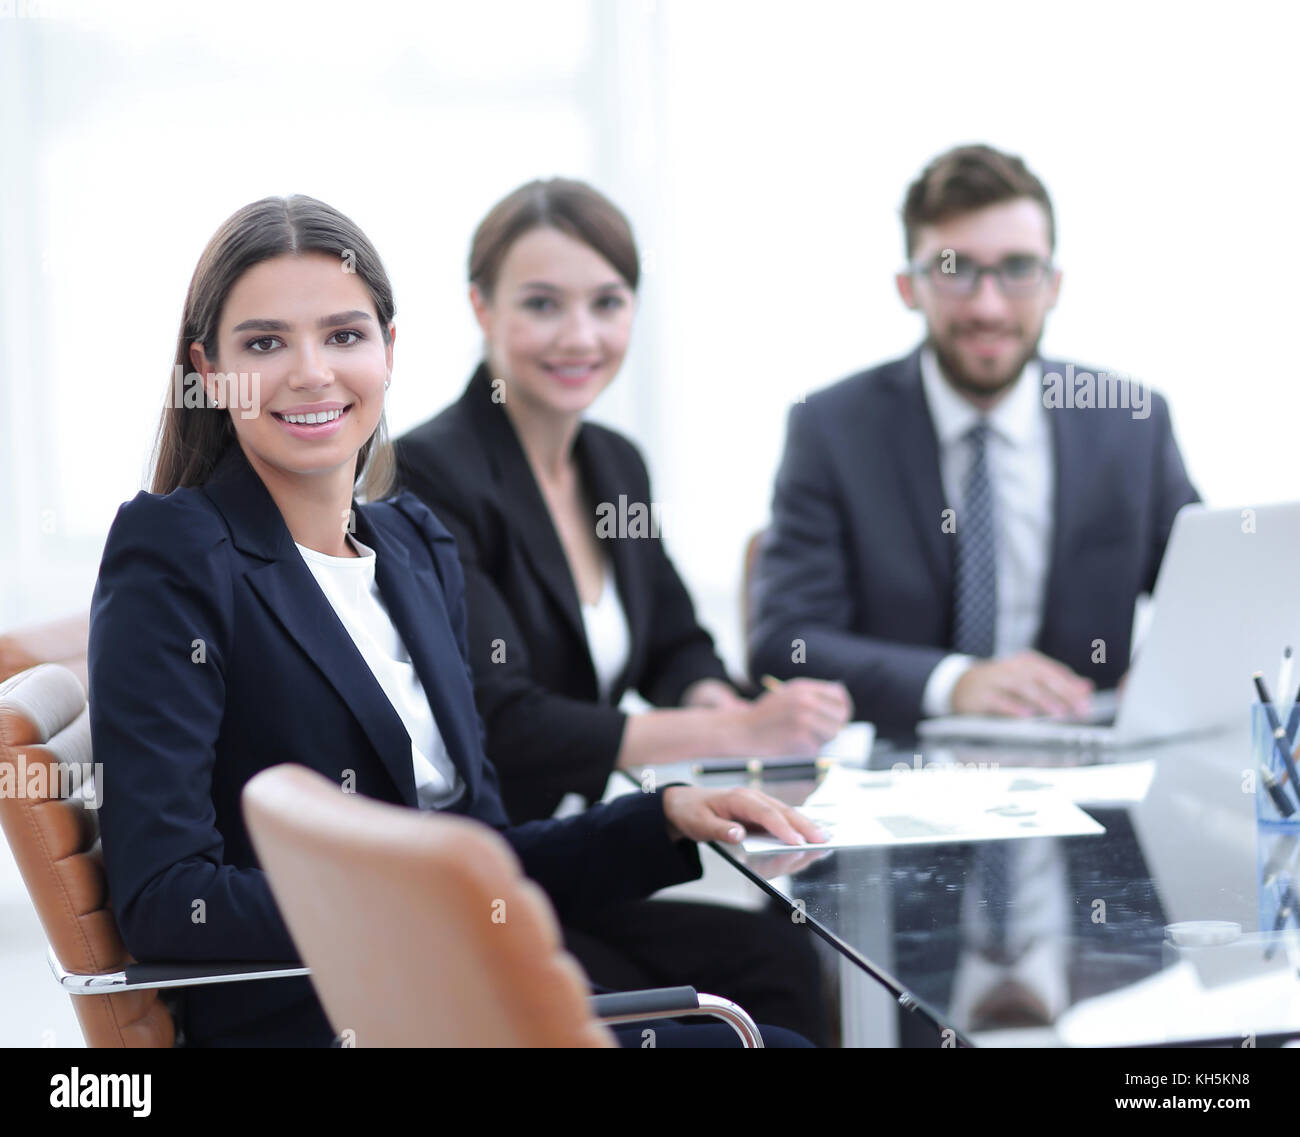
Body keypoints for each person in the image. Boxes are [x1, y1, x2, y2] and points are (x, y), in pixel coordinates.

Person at [88, 194, 823, 1048]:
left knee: (776, 977)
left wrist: (661, 816)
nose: (312, 372)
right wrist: (431, 904)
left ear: (390, 351)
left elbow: (484, 850)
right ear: (209, 371)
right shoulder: (176, 553)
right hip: (336, 1014)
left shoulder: (410, 544)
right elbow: (167, 900)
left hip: (458, 980)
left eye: (344, 335)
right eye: (264, 343)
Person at [393, 179, 849, 1047]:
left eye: (608, 302)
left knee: (779, 959)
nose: (581, 336)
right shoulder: (431, 474)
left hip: (568, 862)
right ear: (480, 308)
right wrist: (746, 726)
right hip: (495, 873)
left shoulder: (614, 466)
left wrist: (716, 702)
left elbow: (673, 642)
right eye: (542, 304)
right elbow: (506, 719)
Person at [748, 144, 1200, 733]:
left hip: (1093, 765)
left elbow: (1207, 593)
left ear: (1053, 284)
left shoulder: (1130, 421)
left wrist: (1164, 678)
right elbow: (786, 642)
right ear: (909, 287)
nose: (988, 307)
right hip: (899, 773)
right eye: (954, 269)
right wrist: (954, 682)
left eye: (1017, 269)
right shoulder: (832, 428)